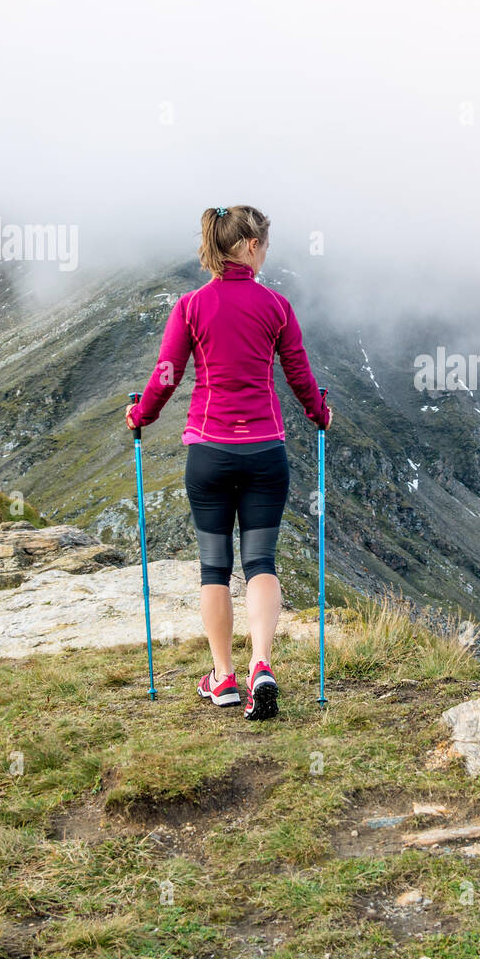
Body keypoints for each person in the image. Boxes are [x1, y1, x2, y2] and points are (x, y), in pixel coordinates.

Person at [124, 206, 332, 720]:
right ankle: (262, 662)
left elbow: (167, 372)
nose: (266, 253)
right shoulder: (277, 306)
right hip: (266, 451)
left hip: (209, 453)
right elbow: (299, 372)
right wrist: (320, 413)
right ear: (248, 246)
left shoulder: (192, 306)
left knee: (214, 568)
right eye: (264, 244)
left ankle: (223, 678)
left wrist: (140, 413)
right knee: (260, 561)